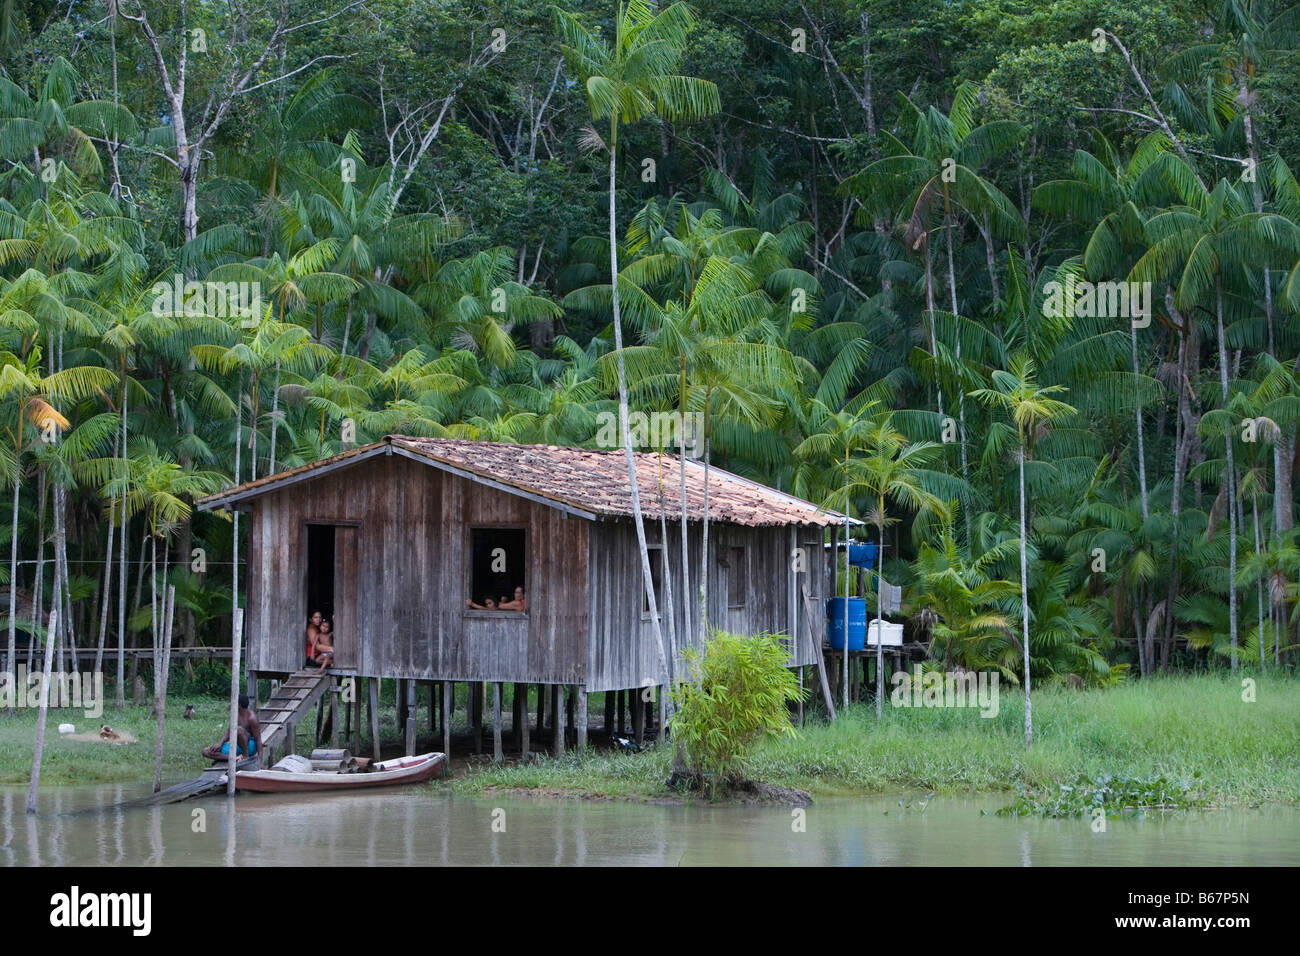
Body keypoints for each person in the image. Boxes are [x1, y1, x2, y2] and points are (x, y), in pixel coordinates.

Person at [202, 695, 263, 761]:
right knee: (206, 751)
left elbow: (258, 740)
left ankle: (245, 756)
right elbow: (229, 731)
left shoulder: (252, 718)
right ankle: (235, 758)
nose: (230, 704)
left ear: (239, 705)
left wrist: (260, 761)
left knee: (239, 730)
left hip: (250, 746)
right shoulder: (235, 715)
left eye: (232, 702)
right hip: (237, 746)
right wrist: (220, 743)